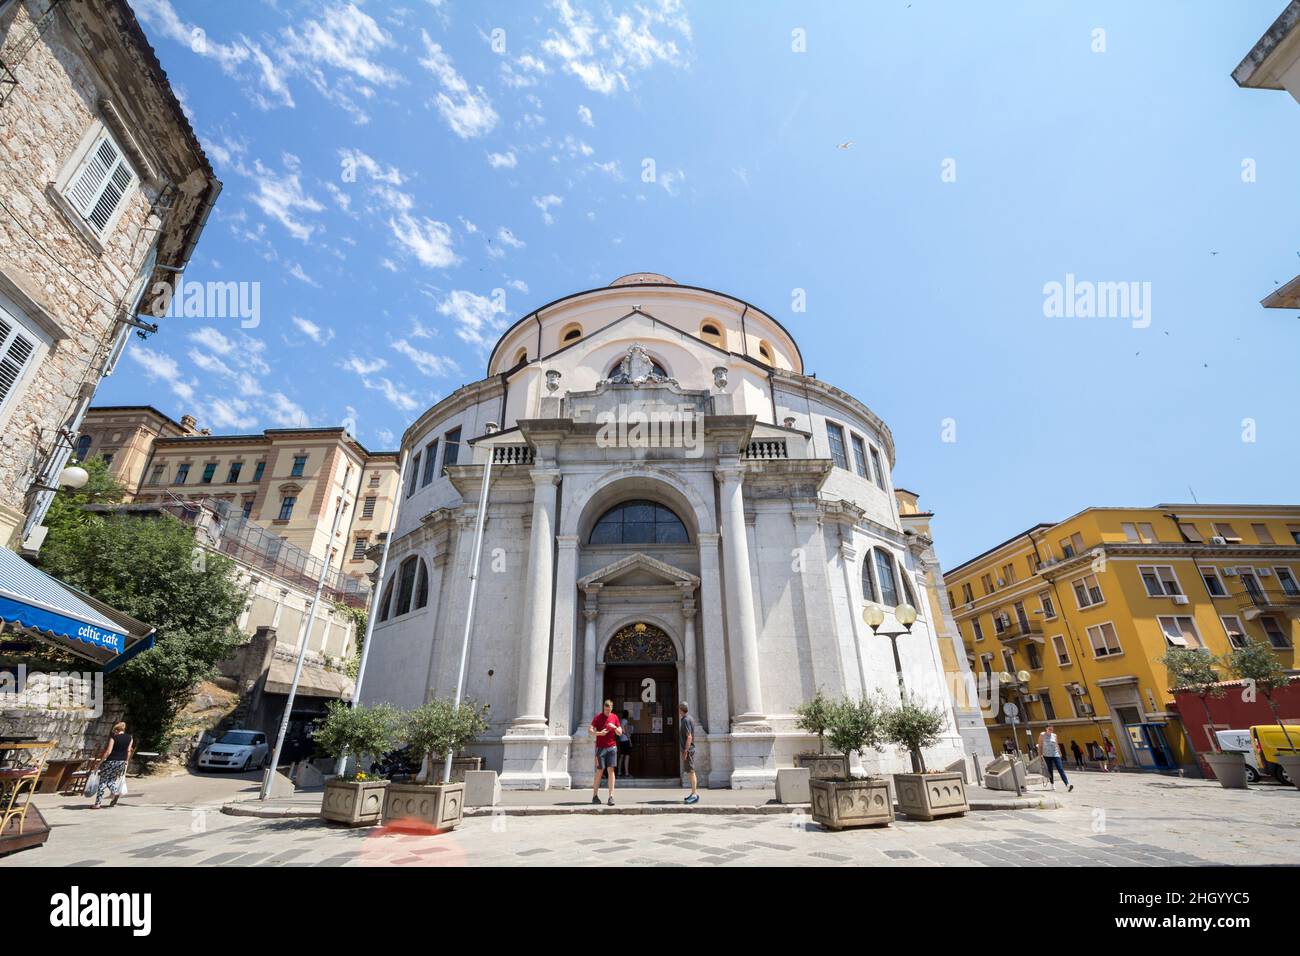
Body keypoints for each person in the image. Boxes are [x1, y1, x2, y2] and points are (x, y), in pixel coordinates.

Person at [588, 700, 622, 805]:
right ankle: (594, 796)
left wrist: (615, 727)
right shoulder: (598, 717)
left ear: (612, 708)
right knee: (599, 771)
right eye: (606, 710)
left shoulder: (614, 717)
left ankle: (611, 797)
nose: (607, 712)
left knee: (611, 771)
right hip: (600, 749)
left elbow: (620, 733)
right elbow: (590, 731)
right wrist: (599, 733)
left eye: (609, 710)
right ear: (603, 708)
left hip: (612, 748)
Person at [94, 721, 133, 809]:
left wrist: (99, 763)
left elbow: (108, 751)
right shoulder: (130, 738)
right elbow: (128, 751)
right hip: (121, 762)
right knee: (111, 780)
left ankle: (97, 804)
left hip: (111, 761)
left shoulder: (114, 738)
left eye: (114, 731)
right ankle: (115, 793)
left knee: (103, 781)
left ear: (116, 730)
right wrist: (126, 761)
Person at [1037, 724, 1073, 792]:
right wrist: (1040, 756)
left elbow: (1057, 744)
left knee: (1060, 769)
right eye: (1049, 729)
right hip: (1046, 755)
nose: (1051, 730)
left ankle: (1067, 785)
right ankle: (1052, 784)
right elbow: (1040, 746)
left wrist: (1060, 753)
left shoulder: (1054, 735)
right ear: (1046, 729)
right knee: (1050, 770)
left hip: (1055, 754)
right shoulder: (1042, 735)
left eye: (1052, 729)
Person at [679, 701, 699, 804]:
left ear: (681, 710)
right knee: (690, 772)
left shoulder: (686, 720)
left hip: (689, 750)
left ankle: (694, 794)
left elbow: (689, 737)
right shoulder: (689, 718)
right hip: (690, 749)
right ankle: (693, 793)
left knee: (691, 772)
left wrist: (686, 751)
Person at [617, 709, 633, 777]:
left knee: (621, 757)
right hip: (626, 740)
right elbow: (626, 732)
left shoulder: (620, 721)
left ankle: (619, 772)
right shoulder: (625, 721)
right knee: (627, 757)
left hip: (621, 740)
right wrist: (630, 741)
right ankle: (626, 773)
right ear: (627, 715)